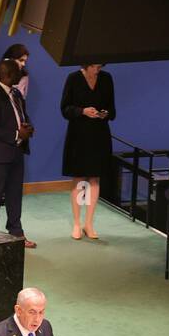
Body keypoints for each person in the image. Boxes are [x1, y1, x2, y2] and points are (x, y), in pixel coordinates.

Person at [0, 59, 36, 247]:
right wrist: (16, 134)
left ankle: (16, 234)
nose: (22, 73)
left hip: (16, 153)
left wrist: (27, 128)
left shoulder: (17, 94)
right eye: (19, 70)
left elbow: (22, 116)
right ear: (9, 75)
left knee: (14, 195)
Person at [60, 63, 116, 240]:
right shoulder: (73, 78)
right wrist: (82, 111)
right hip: (78, 135)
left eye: (100, 67)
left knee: (95, 178)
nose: (97, 71)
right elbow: (65, 108)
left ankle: (89, 223)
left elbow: (112, 109)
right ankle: (77, 223)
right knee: (79, 179)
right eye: (94, 67)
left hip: (99, 134)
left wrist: (104, 114)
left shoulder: (107, 78)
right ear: (86, 65)